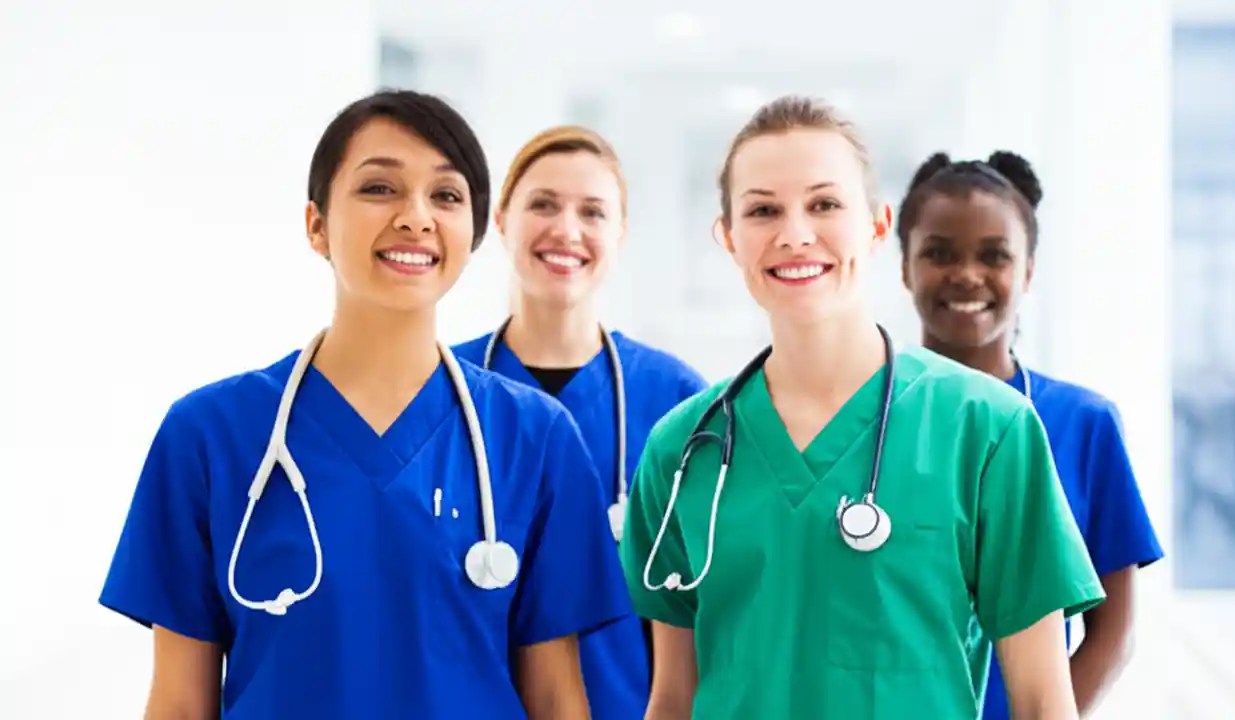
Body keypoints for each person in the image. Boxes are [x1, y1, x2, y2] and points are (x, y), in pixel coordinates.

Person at [98, 90, 631, 719]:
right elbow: (180, 704)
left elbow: (554, 697)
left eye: (447, 195)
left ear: (474, 233)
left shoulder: (533, 438)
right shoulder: (210, 435)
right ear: (316, 225)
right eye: (379, 188)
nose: (416, 216)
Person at [617, 94, 1107, 719]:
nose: (795, 234)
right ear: (729, 238)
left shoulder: (987, 430)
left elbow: (1043, 704)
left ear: (877, 225)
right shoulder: (684, 447)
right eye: (763, 210)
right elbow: (673, 699)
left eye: (824, 204)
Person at [897, 150, 1165, 718]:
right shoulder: (863, 419)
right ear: (904, 267)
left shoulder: (1083, 423)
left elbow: (1113, 631)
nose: (966, 275)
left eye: (994, 255)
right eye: (939, 254)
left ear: (1028, 269)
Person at [454, 125, 707, 720]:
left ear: (620, 235)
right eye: (543, 204)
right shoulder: (439, 387)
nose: (567, 230)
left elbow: (700, 606)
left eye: (593, 212)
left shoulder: (676, 401)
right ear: (501, 221)